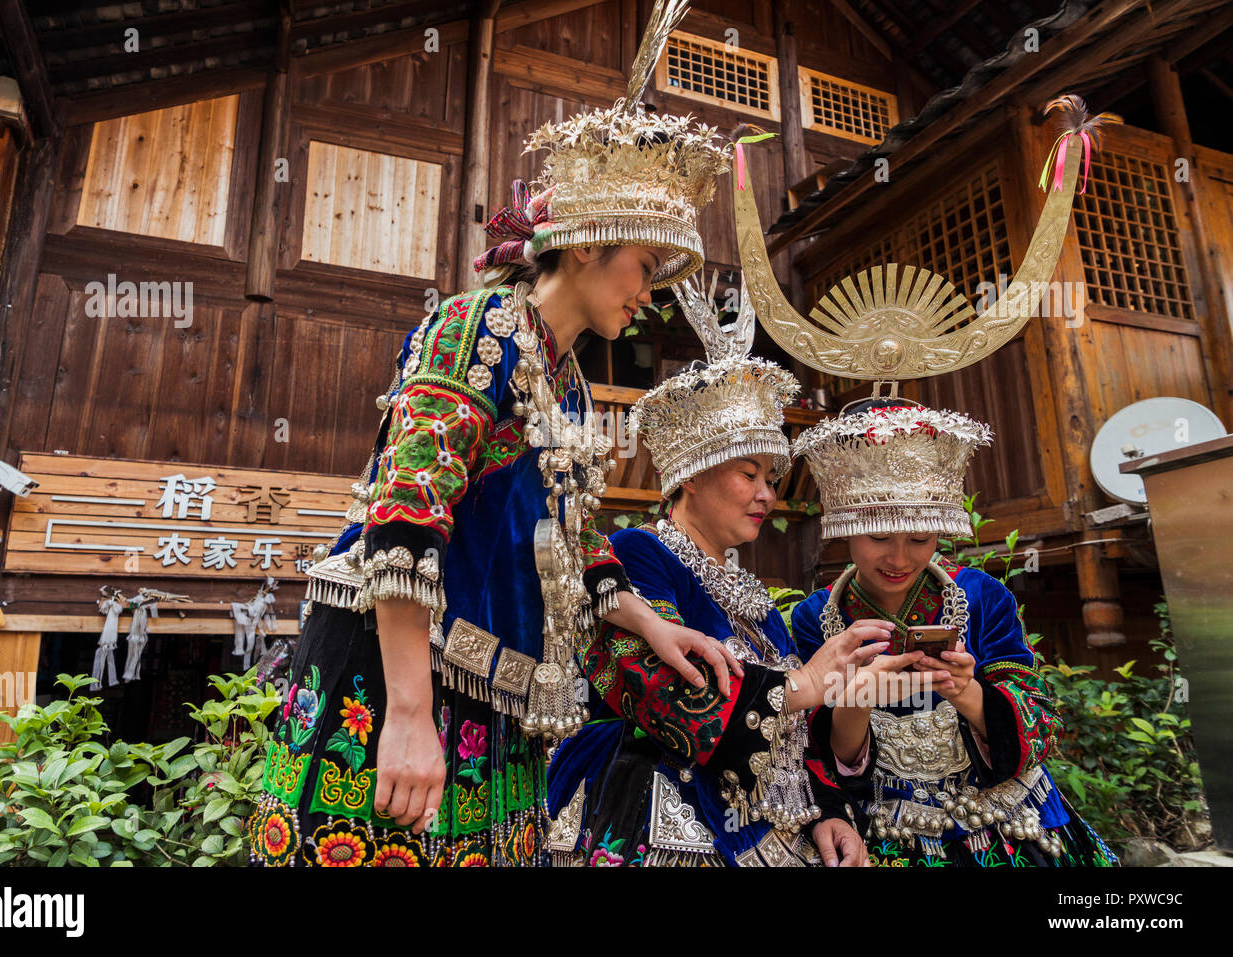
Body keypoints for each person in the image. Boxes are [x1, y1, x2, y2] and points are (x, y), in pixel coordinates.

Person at [246, 1, 746, 867]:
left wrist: (651, 626)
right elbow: (404, 518)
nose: (649, 293)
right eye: (644, 265)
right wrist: (406, 711)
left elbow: (567, 544)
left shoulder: (572, 386)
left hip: (500, 698)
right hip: (399, 672)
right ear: (586, 243)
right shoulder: (471, 329)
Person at [546, 327, 893, 866]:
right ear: (689, 476)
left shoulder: (756, 603)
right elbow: (661, 691)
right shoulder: (638, 555)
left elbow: (795, 737)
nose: (767, 495)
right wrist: (801, 683)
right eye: (748, 473)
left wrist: (829, 808)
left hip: (771, 826)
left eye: (772, 478)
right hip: (667, 805)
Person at [787, 397, 1118, 866]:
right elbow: (816, 755)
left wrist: (968, 694)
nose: (899, 559)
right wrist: (854, 700)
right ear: (847, 526)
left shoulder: (981, 598)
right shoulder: (817, 618)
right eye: (880, 536)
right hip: (882, 829)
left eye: (920, 539)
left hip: (1004, 821)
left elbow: (1042, 724)